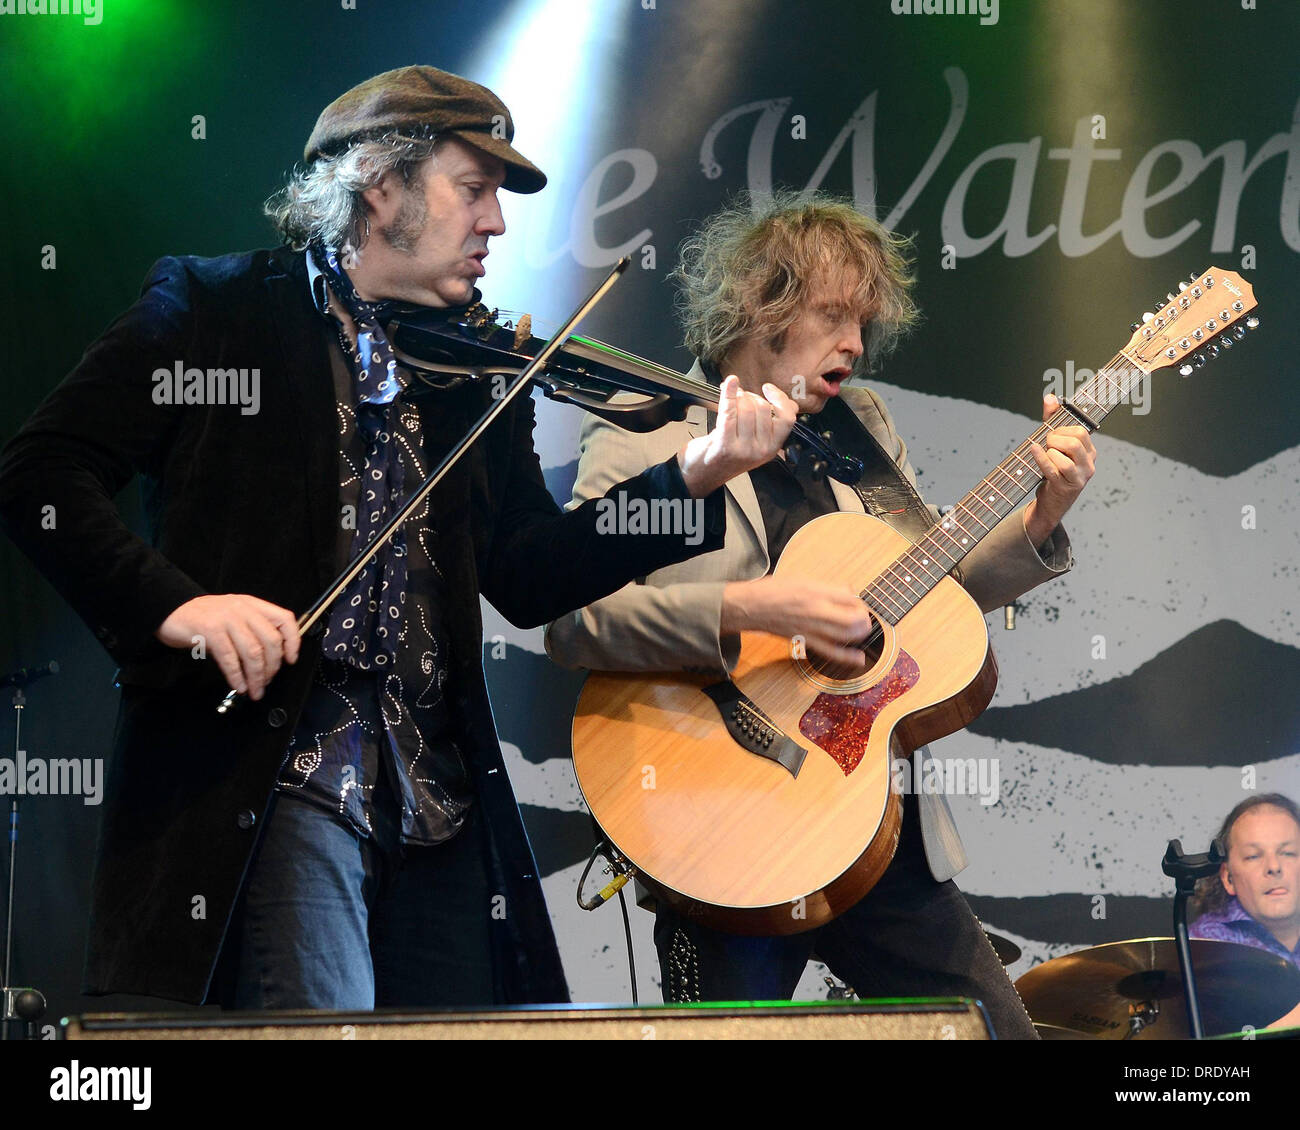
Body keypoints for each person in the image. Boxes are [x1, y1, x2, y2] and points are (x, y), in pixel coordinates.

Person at [0, 66, 799, 1011]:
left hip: (432, 797)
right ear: (380, 186)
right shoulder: (213, 311)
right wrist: (183, 608)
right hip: (278, 780)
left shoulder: (471, 366)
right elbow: (41, 472)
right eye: (474, 189)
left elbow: (532, 574)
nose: (496, 223)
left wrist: (690, 479)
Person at [545, 193, 1097, 1039]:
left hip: (877, 827)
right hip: (721, 821)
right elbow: (579, 620)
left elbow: (930, 592)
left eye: (865, 322)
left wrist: (1039, 522)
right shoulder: (647, 436)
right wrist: (755, 609)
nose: (856, 344)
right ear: (760, 304)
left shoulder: (863, 429)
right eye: (835, 315)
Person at [1192, 793, 1300, 969]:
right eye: (1253, 856)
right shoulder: (1203, 944)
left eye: (1288, 853)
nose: (1273, 866)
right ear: (1228, 878)